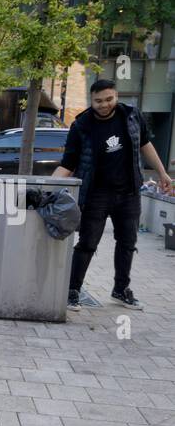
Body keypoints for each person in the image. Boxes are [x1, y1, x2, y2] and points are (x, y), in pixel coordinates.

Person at [54, 78, 174, 310]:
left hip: (129, 192)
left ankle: (121, 290)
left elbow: (145, 144)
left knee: (128, 242)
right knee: (87, 243)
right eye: (98, 101)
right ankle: (72, 291)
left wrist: (163, 173)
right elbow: (68, 163)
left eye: (109, 99)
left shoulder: (131, 115)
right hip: (96, 195)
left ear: (116, 96)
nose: (104, 104)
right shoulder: (81, 125)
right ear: (92, 100)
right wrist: (47, 187)